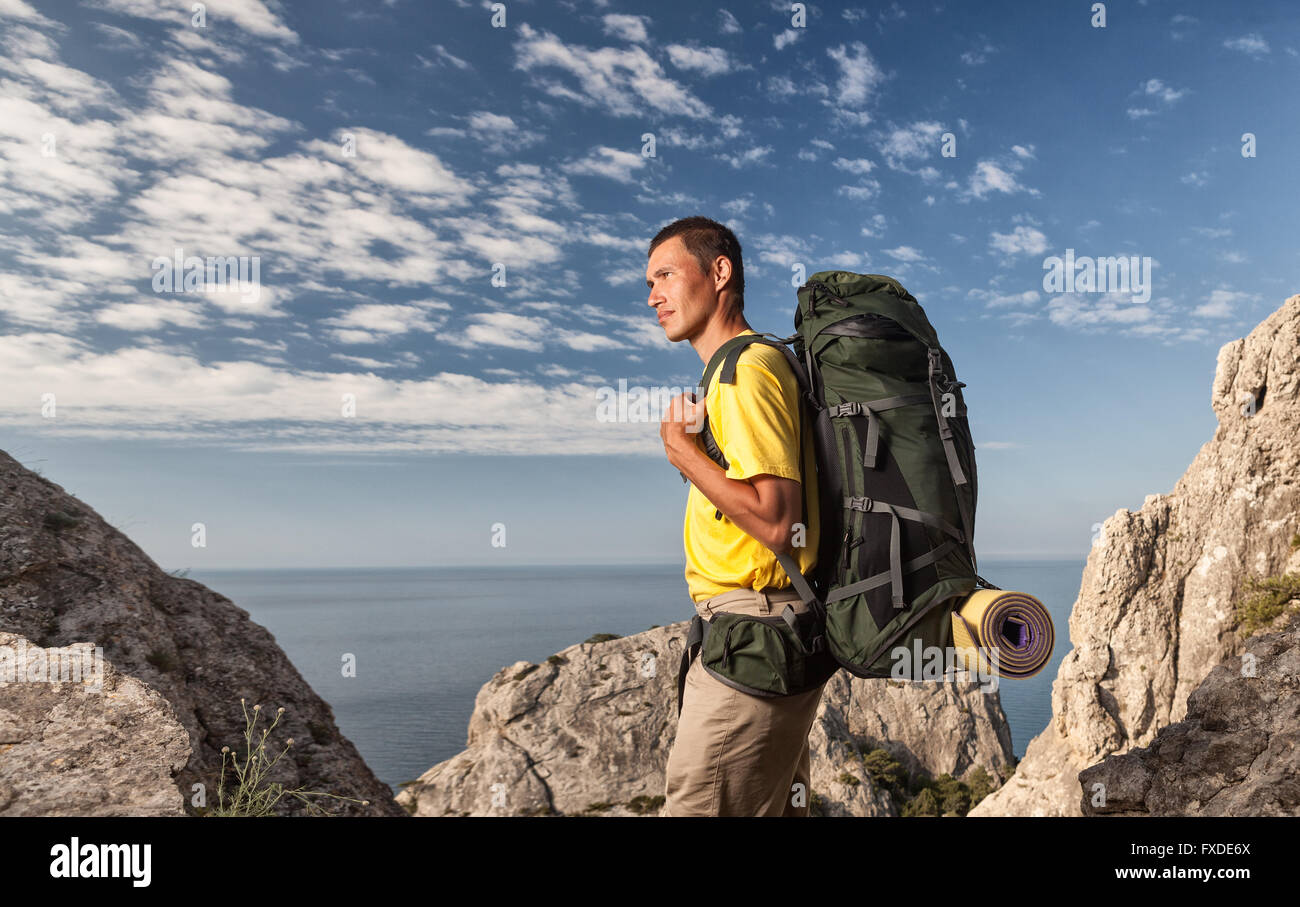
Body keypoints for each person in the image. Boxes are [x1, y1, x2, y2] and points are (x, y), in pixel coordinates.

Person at [648, 215, 826, 817]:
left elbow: (777, 521)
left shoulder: (743, 371)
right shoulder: (740, 372)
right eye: (650, 283)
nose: (653, 296)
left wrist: (680, 452)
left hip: (753, 644)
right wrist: (695, 459)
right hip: (759, 641)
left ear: (719, 272)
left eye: (666, 275)